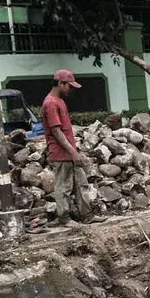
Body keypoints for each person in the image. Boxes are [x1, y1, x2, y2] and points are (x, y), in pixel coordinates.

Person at [43, 70, 94, 226]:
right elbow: (56, 132)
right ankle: (64, 218)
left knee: (81, 184)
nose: (70, 90)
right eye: (69, 86)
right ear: (60, 83)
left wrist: (73, 151)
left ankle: (87, 215)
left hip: (70, 152)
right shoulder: (51, 103)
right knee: (63, 187)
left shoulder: (59, 101)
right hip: (61, 153)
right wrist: (73, 152)